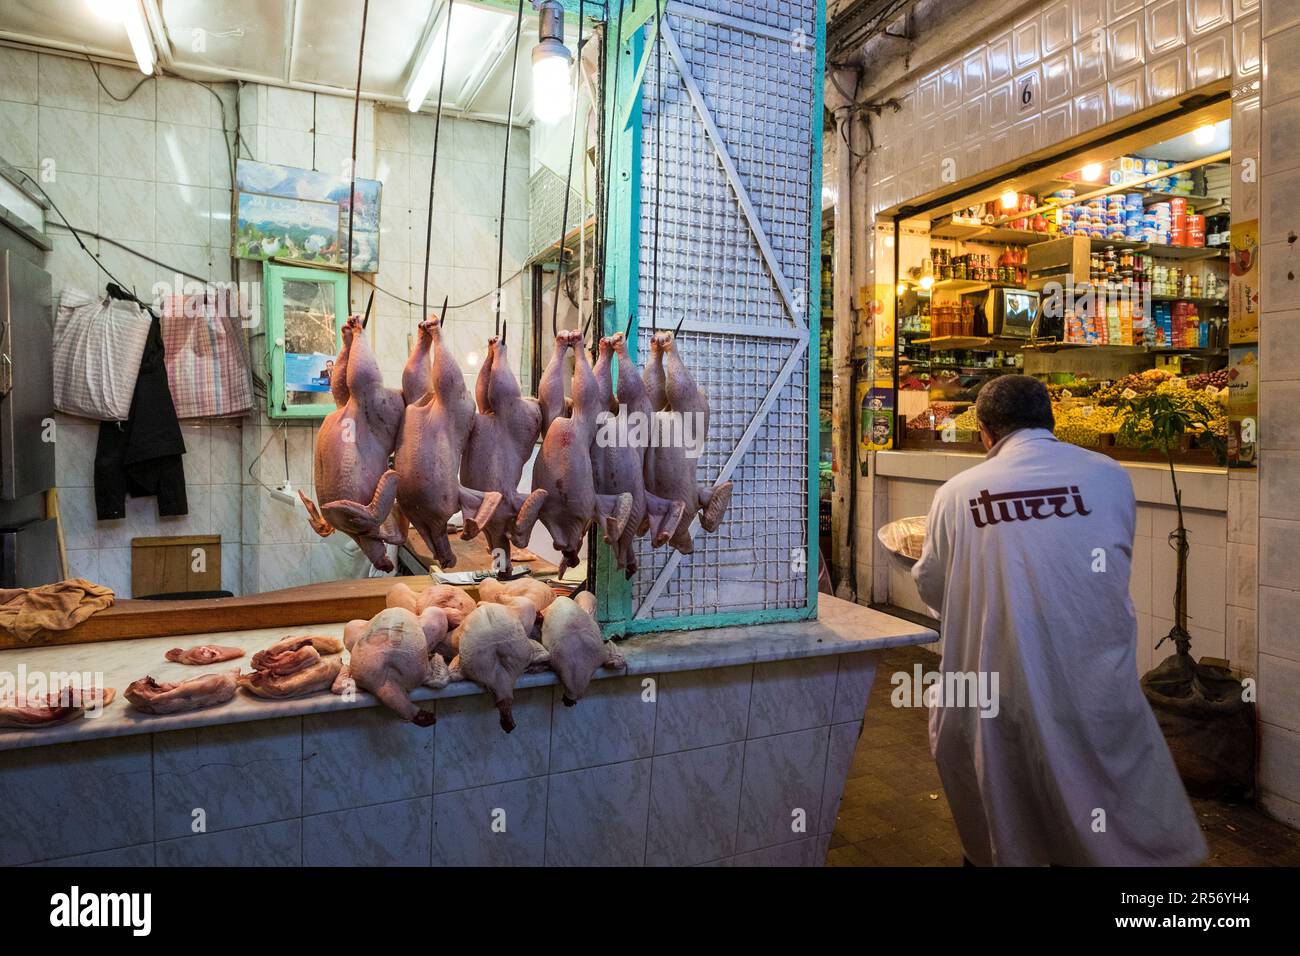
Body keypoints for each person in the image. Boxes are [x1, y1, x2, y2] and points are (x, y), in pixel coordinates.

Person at [911, 374, 1206, 867]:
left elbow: (935, 583)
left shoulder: (958, 493)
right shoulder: (1109, 474)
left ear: (985, 431)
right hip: (1091, 671)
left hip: (996, 678)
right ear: (1050, 421)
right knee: (1100, 795)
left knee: (1006, 791)